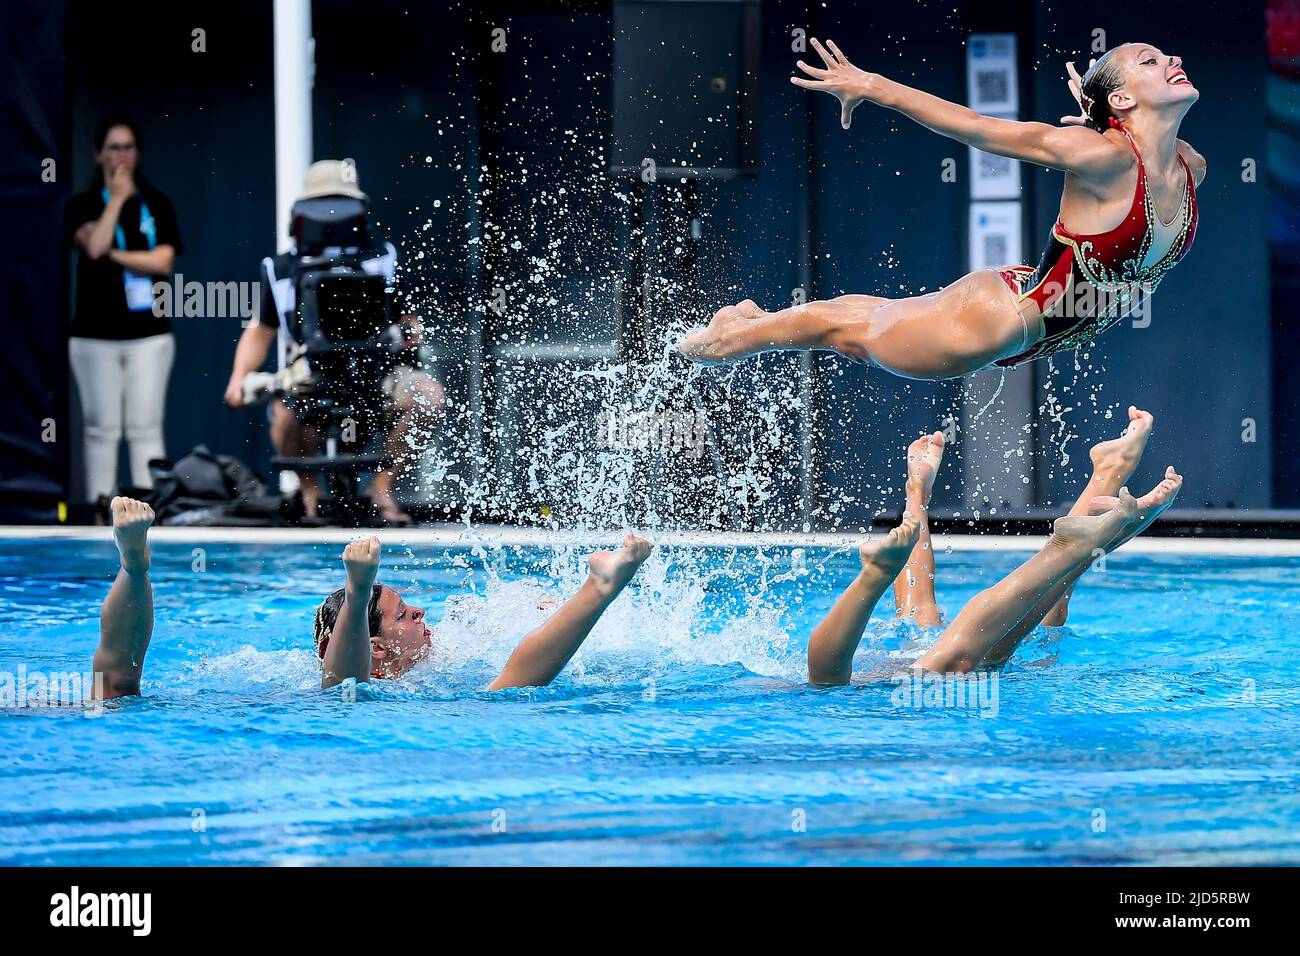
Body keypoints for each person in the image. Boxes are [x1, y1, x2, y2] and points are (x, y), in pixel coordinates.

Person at [679, 41, 1204, 379]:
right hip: (994, 324)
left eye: (1166, 57)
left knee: (874, 318)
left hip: (1032, 310)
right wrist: (876, 88)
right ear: (1123, 101)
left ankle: (755, 320)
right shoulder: (1103, 157)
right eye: (1151, 62)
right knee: (854, 336)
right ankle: (734, 337)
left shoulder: (1189, 168)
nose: (1173, 60)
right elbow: (981, 128)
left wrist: (1096, 116)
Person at [90, 496, 654, 700]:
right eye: (405, 616)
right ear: (377, 648)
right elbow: (344, 685)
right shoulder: (367, 679)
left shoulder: (440, 656)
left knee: (115, 686)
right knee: (115, 687)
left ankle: (134, 565)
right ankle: (133, 566)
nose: (422, 615)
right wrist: (360, 590)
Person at [806, 412, 1182, 685]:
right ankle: (1105, 479)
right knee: (943, 624)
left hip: (888, 678)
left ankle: (1083, 525)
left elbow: (824, 676)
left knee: (955, 650)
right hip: (899, 668)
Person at [223, 160, 445, 524]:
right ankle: (313, 497)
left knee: (429, 397)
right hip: (310, 375)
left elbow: (408, 321)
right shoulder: (279, 270)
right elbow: (260, 330)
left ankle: (381, 488)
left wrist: (405, 335)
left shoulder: (382, 259)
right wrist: (239, 378)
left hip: (377, 373)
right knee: (283, 414)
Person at [67, 117, 182, 501]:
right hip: (94, 335)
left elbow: (163, 262)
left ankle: (150, 511)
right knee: (101, 428)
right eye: (113, 147)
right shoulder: (83, 203)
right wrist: (116, 198)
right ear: (98, 153)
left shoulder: (157, 202)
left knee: (145, 427)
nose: (121, 156)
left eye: (128, 147)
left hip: (149, 335)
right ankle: (102, 509)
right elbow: (94, 245)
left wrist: (115, 255)